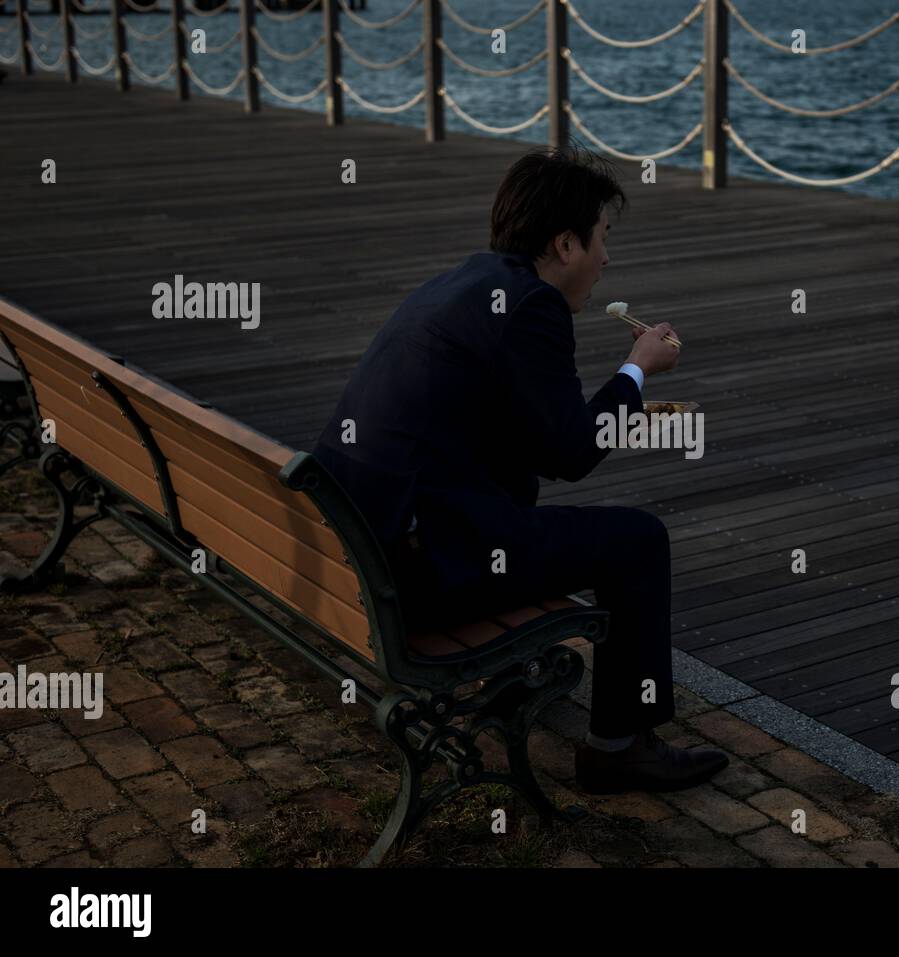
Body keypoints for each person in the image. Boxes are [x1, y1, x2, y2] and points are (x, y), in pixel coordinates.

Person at [312, 144, 728, 794]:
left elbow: (527, 444)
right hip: (414, 574)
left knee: (520, 497)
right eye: (602, 239)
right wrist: (637, 368)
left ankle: (529, 676)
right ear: (565, 244)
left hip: (356, 546)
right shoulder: (533, 307)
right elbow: (572, 453)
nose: (607, 258)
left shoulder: (463, 283)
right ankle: (618, 748)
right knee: (638, 542)